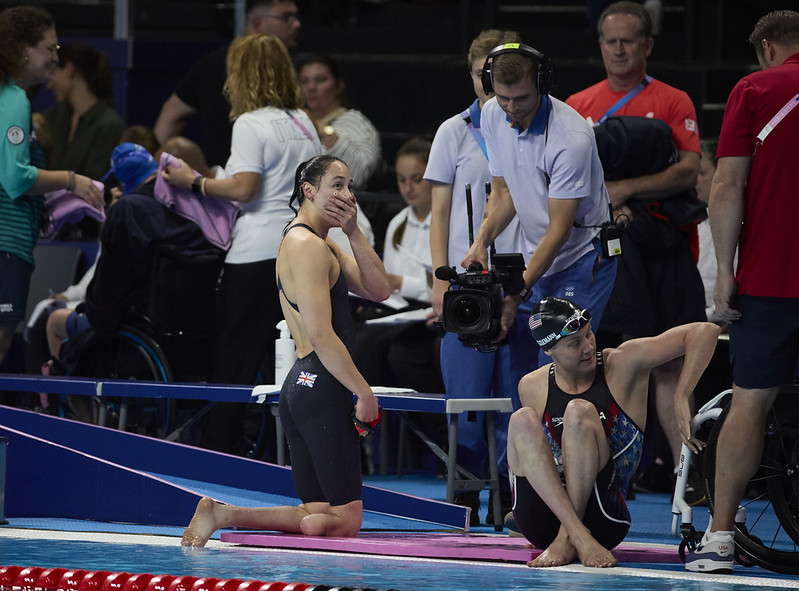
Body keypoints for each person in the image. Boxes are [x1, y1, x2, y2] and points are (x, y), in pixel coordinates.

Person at [181, 154, 390, 546]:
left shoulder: (316, 242)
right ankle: (235, 515)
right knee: (346, 520)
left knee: (318, 511)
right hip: (323, 385)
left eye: (349, 186)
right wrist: (364, 393)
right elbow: (322, 334)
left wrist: (354, 232)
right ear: (309, 190)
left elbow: (379, 290)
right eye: (337, 185)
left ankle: (223, 514)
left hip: (303, 385)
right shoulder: (307, 246)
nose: (347, 194)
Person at [566, 1, 705, 490]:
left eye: (628, 41)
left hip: (666, 252)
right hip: (608, 260)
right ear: (600, 45)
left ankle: (689, 474)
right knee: (612, 360)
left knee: (668, 363)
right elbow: (565, 179)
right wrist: (605, 209)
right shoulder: (578, 105)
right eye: (610, 41)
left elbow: (688, 169)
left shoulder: (673, 100)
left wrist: (625, 191)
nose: (619, 50)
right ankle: (613, 473)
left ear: (647, 45)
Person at [162, 33, 321, 456]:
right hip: (299, 251)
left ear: (242, 75)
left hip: (254, 256)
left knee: (235, 355)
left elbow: (245, 188)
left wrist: (191, 181)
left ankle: (220, 449)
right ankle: (278, 451)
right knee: (287, 357)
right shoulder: (304, 121)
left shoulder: (251, 123)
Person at [685, 10, 799, 574]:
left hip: (773, 277)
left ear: (767, 50)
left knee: (751, 402)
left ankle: (722, 536)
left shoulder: (755, 88)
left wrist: (725, 268)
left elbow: (727, 182)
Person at [460, 40, 617, 416]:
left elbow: (559, 231)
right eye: (503, 99)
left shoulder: (571, 139)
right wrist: (481, 241)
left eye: (522, 99)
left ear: (543, 84)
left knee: (563, 363)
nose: (512, 109)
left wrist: (517, 292)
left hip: (582, 259)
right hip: (539, 256)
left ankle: (571, 463)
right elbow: (504, 193)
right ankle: (523, 468)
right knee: (522, 367)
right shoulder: (492, 115)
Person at [509, 296, 719, 568]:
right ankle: (574, 534)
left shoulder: (621, 364)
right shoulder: (531, 385)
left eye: (589, 335)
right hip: (541, 522)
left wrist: (681, 394)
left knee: (578, 411)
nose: (588, 347)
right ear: (548, 349)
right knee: (520, 419)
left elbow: (704, 332)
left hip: (604, 519)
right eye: (574, 343)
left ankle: (571, 537)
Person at [424, 29, 526, 524]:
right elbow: (438, 212)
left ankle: (513, 503)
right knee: (465, 409)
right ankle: (463, 505)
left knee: (516, 405)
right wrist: (439, 280)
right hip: (466, 285)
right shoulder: (453, 131)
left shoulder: (534, 130)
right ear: (471, 75)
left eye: (500, 73)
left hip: (520, 281)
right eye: (482, 73)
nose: (490, 82)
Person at [43, 142, 223, 421]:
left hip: (139, 336)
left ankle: (76, 422)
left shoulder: (127, 209)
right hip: (200, 337)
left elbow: (106, 296)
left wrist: (90, 309)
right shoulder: (198, 203)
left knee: (55, 321)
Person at [0, 5, 104, 370]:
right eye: (50, 48)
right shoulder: (12, 99)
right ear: (21, 49)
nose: (53, 58)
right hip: (5, 248)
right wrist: (70, 179)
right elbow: (14, 178)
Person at [153, 0, 301, 168]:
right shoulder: (283, 70)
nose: (296, 24)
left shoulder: (210, 63)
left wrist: (152, 172)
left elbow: (171, 113)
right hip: (244, 185)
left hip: (226, 183)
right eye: (286, 17)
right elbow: (172, 113)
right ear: (258, 23)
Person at [297, 54, 382, 191]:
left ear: (338, 86)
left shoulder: (355, 122)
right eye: (304, 81)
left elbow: (358, 176)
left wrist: (322, 131)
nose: (311, 87)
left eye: (320, 80)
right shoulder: (293, 124)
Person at [45, 42, 125, 185]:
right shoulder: (56, 115)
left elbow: (97, 183)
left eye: (52, 73)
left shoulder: (109, 125)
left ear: (69, 69)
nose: (49, 84)